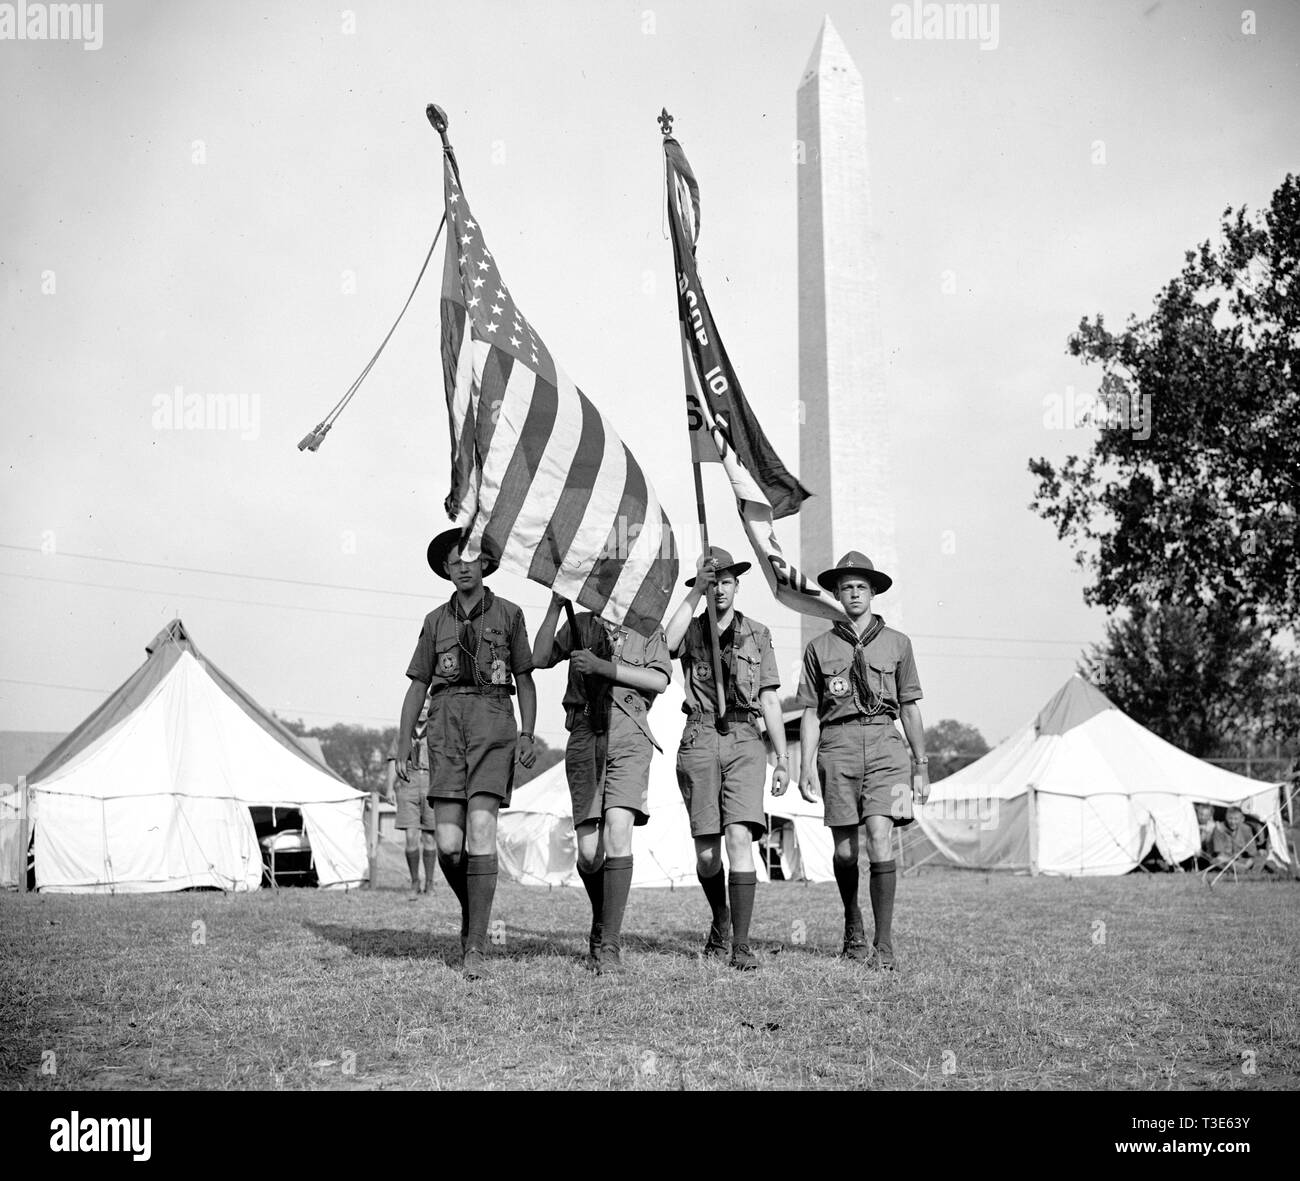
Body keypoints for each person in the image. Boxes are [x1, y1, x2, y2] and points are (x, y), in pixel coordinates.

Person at [396, 529, 537, 979]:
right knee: (449, 845)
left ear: (486, 564)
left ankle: (474, 945)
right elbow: (418, 683)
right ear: (446, 569)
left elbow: (526, 678)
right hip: (445, 725)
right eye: (453, 560)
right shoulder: (435, 620)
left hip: (494, 720)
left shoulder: (511, 615)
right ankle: (473, 915)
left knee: (481, 827)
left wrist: (529, 732)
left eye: (470, 558)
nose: (461, 566)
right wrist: (404, 742)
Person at [794, 551, 928, 971]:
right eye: (846, 587)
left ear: (873, 593)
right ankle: (853, 924)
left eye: (861, 587)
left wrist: (921, 765)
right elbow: (811, 712)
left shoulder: (899, 644)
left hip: (887, 745)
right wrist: (805, 766)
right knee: (847, 850)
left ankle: (883, 944)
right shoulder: (819, 647)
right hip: (838, 746)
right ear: (836, 594)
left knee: (880, 836)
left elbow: (909, 707)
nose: (853, 593)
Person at [532, 594, 672, 974]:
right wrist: (553, 606)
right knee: (590, 854)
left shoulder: (647, 624)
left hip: (630, 735)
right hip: (584, 733)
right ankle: (601, 919)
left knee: (618, 832)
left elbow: (659, 679)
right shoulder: (582, 623)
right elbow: (540, 657)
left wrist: (603, 668)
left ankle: (609, 943)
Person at [664, 547, 790, 970]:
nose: (719, 589)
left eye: (725, 582)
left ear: (736, 586)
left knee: (739, 838)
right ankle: (720, 921)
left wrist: (783, 759)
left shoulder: (757, 633)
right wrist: (694, 589)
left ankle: (741, 944)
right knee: (706, 853)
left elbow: (770, 699)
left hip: (744, 738)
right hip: (700, 734)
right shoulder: (693, 628)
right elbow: (668, 642)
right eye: (712, 582)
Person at [386, 692, 437, 899]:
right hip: (408, 783)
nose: (423, 710)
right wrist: (390, 788)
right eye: (421, 707)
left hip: (431, 783)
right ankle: (414, 882)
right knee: (410, 836)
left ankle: (430, 884)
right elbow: (392, 760)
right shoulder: (403, 732)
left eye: (427, 707)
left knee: (429, 837)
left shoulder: (436, 730)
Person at [1209, 806, 1267, 873]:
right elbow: (1220, 853)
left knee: (1262, 856)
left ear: (1242, 819)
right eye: (1230, 818)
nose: (1233, 822)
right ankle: (1244, 870)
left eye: (1236, 819)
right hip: (1226, 860)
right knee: (1219, 860)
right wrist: (1232, 860)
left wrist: (1257, 854)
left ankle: (1247, 871)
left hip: (1242, 860)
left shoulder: (1246, 829)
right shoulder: (1219, 829)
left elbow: (1252, 852)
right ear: (1226, 817)